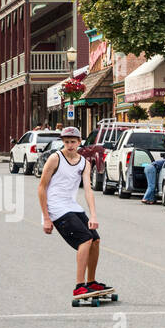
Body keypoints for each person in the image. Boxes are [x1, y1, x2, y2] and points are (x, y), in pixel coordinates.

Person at [38, 126, 108, 299]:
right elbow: (41, 187)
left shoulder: (85, 162)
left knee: (96, 240)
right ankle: (79, 286)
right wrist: (46, 218)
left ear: (79, 142)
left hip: (72, 206)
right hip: (56, 207)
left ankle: (91, 282)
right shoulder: (55, 158)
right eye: (66, 142)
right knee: (85, 239)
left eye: (73, 142)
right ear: (63, 142)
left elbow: (88, 190)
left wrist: (93, 215)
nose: (69, 145)